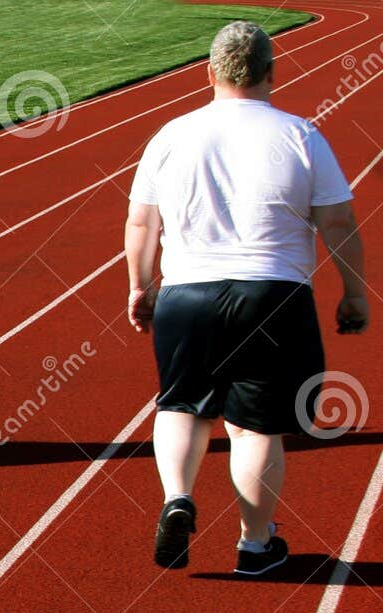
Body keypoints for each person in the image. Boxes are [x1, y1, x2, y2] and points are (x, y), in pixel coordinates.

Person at [126, 20, 368, 575]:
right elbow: (337, 220)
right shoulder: (300, 135)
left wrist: (141, 287)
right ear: (271, 72)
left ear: (209, 72)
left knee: (181, 404)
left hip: (186, 292)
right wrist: (354, 293)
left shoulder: (171, 134)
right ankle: (256, 545)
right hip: (273, 294)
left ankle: (177, 497)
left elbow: (142, 222)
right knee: (255, 427)